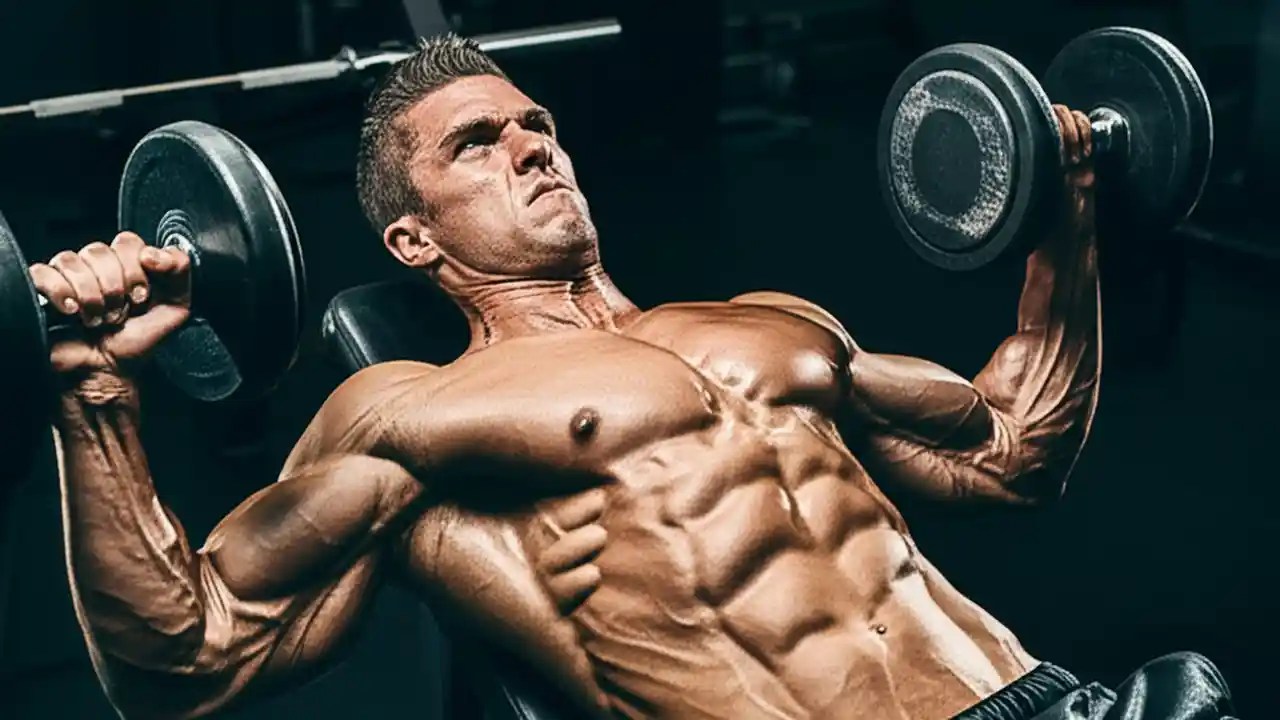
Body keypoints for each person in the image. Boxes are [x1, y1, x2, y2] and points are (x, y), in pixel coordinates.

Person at [36, 35, 1232, 720]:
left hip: (1040, 701)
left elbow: (1013, 448)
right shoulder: (407, 410)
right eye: (477, 143)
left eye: (534, 122)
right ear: (413, 241)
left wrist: (1065, 213)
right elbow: (188, 652)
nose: (531, 144)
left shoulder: (766, 323)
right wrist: (93, 387)